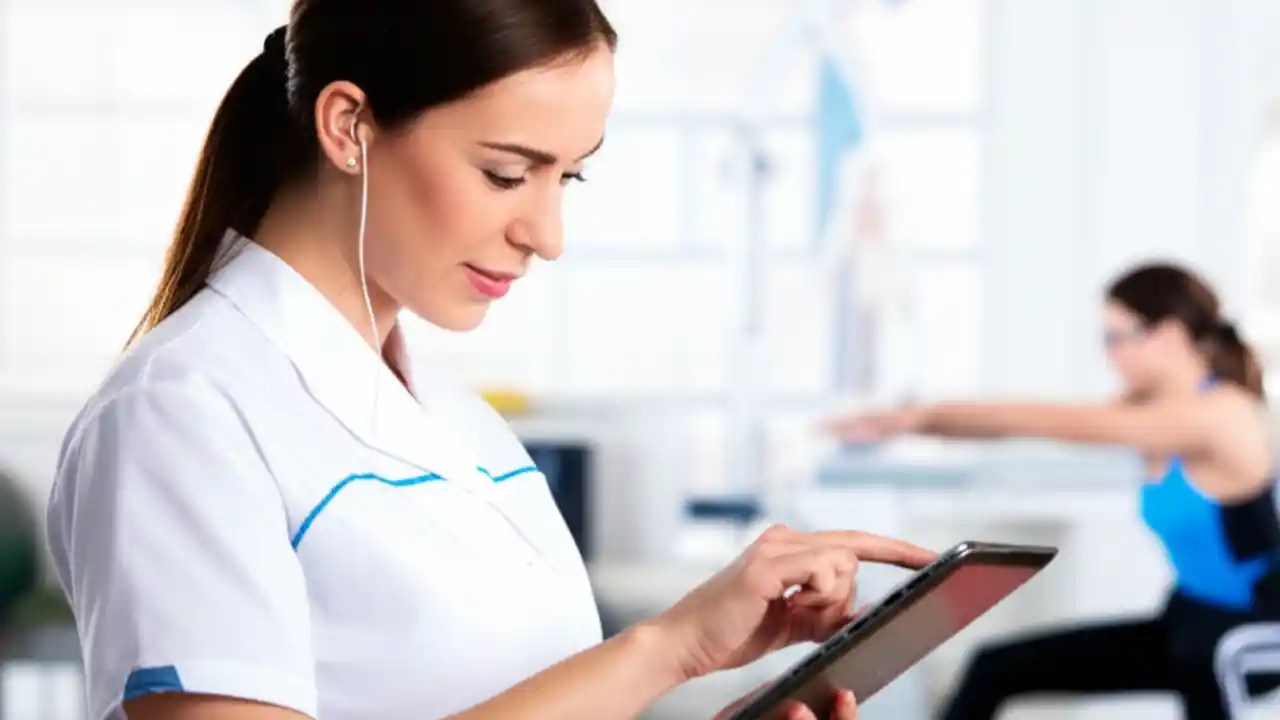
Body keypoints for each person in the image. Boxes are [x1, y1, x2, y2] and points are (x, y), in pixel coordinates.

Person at [45, 3, 936, 720]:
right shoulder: (182, 410)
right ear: (349, 125)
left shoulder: (461, 423)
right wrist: (665, 648)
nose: (545, 235)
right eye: (508, 174)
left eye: (568, 179)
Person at [830, 263, 1280, 718]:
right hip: (1191, 616)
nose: (1110, 355)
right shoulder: (1151, 409)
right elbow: (1045, 422)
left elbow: (1042, 420)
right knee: (994, 668)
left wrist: (918, 419)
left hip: (1254, 630)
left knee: (1204, 663)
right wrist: (913, 423)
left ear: (1167, 334)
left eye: (1115, 337)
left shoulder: (1223, 414)